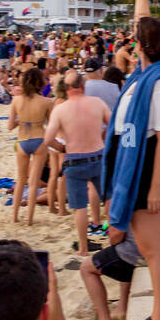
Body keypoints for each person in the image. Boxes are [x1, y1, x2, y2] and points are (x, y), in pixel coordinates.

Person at [102, 0, 160, 320]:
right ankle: (157, 318)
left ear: (143, 49)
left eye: (137, 38)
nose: (132, 38)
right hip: (135, 169)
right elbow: (142, 22)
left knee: (152, 251)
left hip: (148, 169)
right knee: (148, 248)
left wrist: (153, 188)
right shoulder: (144, 71)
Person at [80, 171, 160, 320]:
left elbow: (116, 233)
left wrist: (114, 240)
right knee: (127, 242)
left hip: (146, 252)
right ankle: (122, 306)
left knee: (86, 268)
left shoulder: (128, 181)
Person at [43, 70, 110, 258]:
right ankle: (114, 239)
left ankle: (82, 248)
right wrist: (102, 137)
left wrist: (62, 148)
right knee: (108, 199)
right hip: (97, 156)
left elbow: (48, 139)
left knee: (80, 207)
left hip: (74, 159)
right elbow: (113, 125)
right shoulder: (97, 103)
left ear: (65, 88)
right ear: (83, 85)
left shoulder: (60, 109)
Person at [8, 68, 53, 225]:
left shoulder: (16, 100)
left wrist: (21, 120)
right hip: (39, 138)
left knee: (21, 180)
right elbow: (51, 124)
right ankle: (29, 219)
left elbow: (9, 126)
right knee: (33, 182)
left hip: (22, 139)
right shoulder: (46, 101)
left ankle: (14, 216)